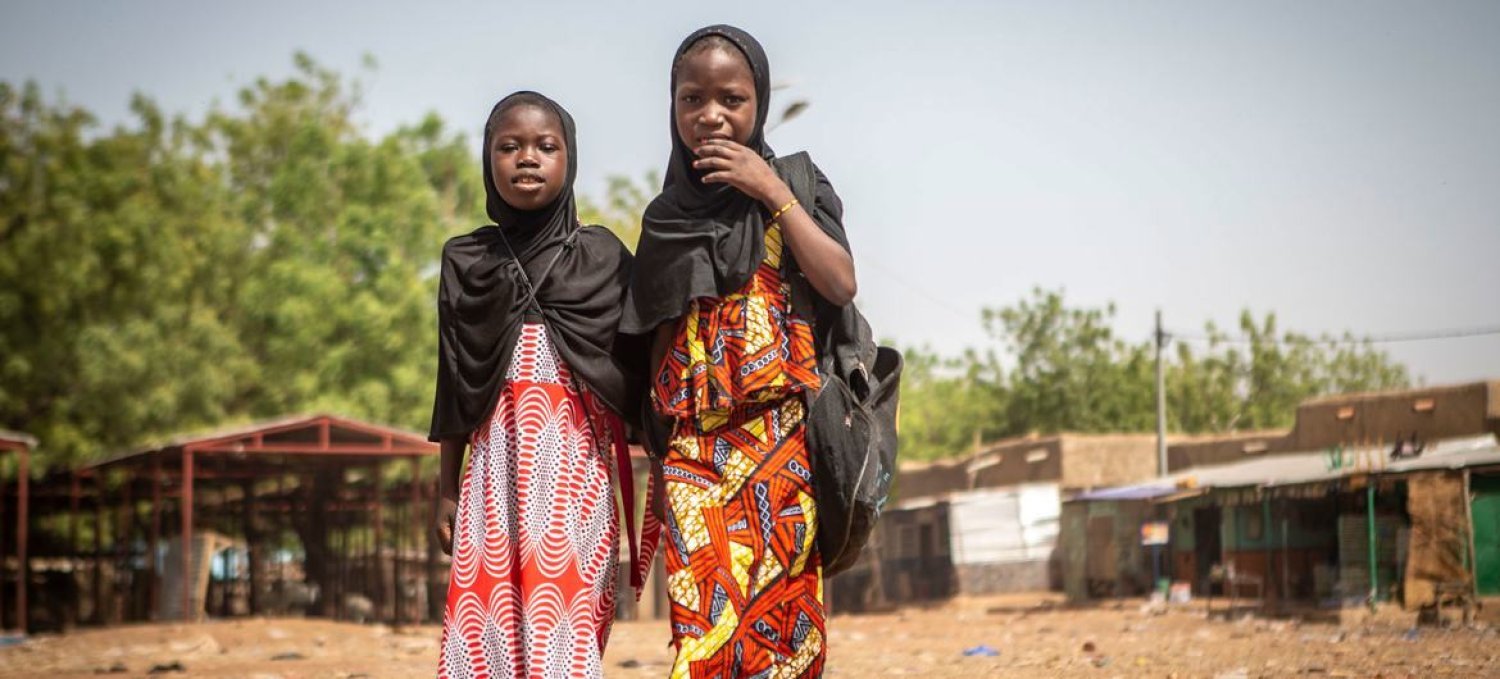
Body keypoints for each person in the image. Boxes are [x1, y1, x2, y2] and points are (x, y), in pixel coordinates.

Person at [623, 25, 857, 678]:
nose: (711, 115)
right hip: (694, 453)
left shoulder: (796, 186)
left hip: (783, 444)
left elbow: (840, 283)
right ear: (673, 108)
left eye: (732, 99)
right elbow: (653, 342)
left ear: (759, 104)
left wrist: (770, 191)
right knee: (703, 638)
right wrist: (661, 452)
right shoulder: (665, 217)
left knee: (784, 641)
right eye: (692, 99)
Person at [429, 91, 641, 679]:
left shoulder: (604, 257)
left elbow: (639, 373)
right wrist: (447, 488)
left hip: (577, 480)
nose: (528, 158)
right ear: (487, 159)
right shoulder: (466, 260)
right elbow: (455, 380)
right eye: (509, 146)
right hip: (490, 478)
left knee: (562, 637)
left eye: (546, 146)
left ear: (569, 159)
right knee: (486, 636)